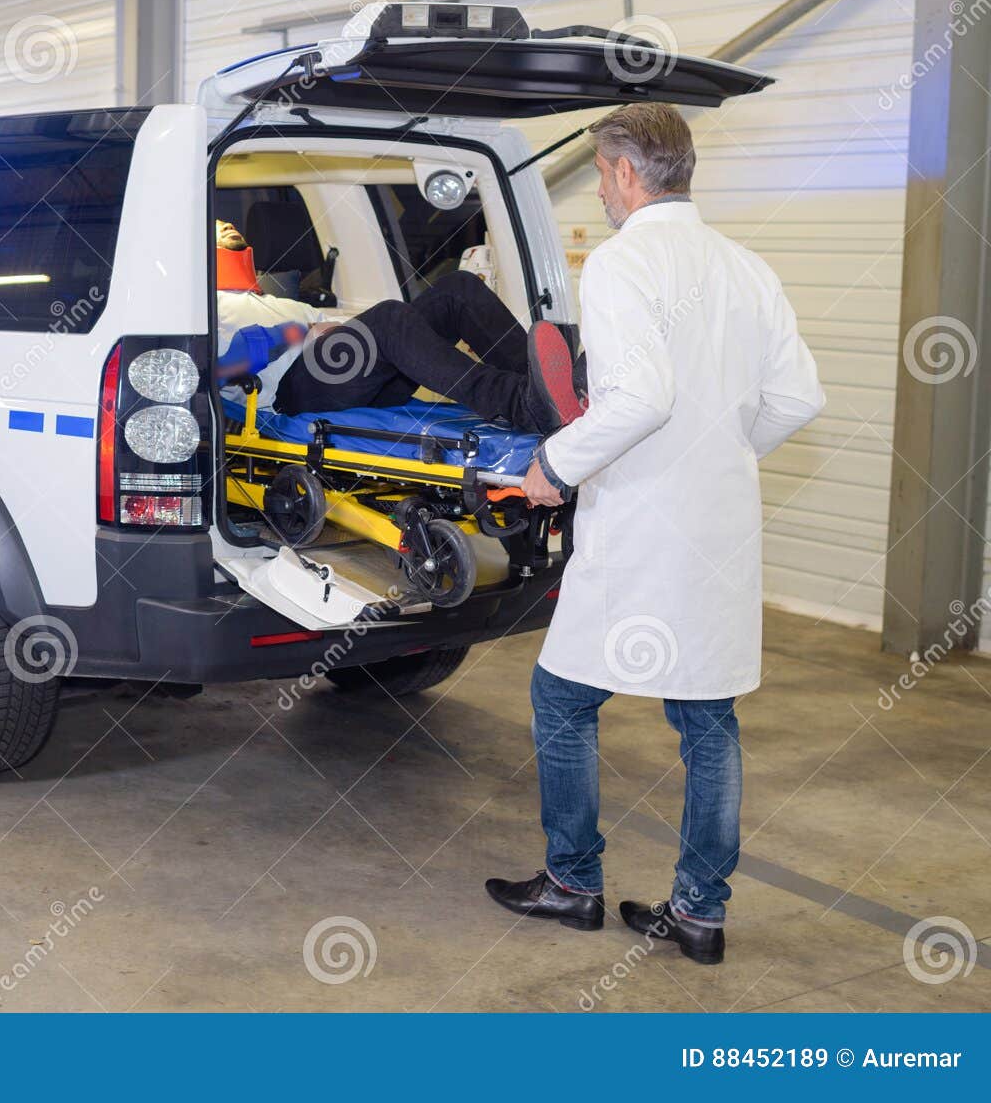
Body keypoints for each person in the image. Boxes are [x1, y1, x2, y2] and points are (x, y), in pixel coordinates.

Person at [485, 103, 825, 964]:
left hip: (638, 525)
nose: (601, 192)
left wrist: (552, 466)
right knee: (708, 719)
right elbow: (798, 397)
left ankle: (572, 883)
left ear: (628, 173)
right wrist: (719, 458)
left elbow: (641, 399)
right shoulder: (746, 267)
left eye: (602, 175)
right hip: (720, 526)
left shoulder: (620, 262)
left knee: (562, 699)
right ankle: (699, 913)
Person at [214, 220, 582, 433]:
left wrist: (322, 328)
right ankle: (519, 402)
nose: (226, 225)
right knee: (389, 317)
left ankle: (547, 390)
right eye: (215, 226)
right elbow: (213, 371)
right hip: (293, 393)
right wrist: (302, 332)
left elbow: (335, 329)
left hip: (346, 375)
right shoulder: (205, 308)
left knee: (458, 288)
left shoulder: (278, 301)